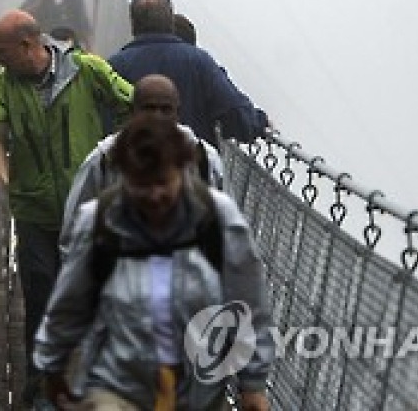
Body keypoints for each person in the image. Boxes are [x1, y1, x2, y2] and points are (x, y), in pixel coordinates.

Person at [0, 9, 132, 404]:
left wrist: (117, 149)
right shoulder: (5, 87)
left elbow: (131, 99)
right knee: (40, 298)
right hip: (34, 212)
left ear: (26, 45)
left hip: (88, 210)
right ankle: (42, 387)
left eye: (0, 51)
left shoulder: (88, 71)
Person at [33, 114, 275, 411]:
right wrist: (53, 366)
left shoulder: (218, 219)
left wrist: (253, 384)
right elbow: (69, 304)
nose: (154, 195)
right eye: (142, 185)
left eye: (163, 182)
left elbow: (248, 302)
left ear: (183, 171)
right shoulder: (98, 221)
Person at [59, 74, 225, 257]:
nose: (157, 118)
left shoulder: (204, 160)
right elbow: (74, 230)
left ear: (178, 114)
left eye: (165, 109)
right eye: (149, 109)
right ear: (132, 112)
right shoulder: (104, 160)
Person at [109, 0, 268, 146]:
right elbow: (236, 115)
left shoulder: (115, 67)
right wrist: (259, 122)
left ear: (133, 24)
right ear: (170, 21)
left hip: (131, 166)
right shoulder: (200, 62)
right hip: (189, 165)